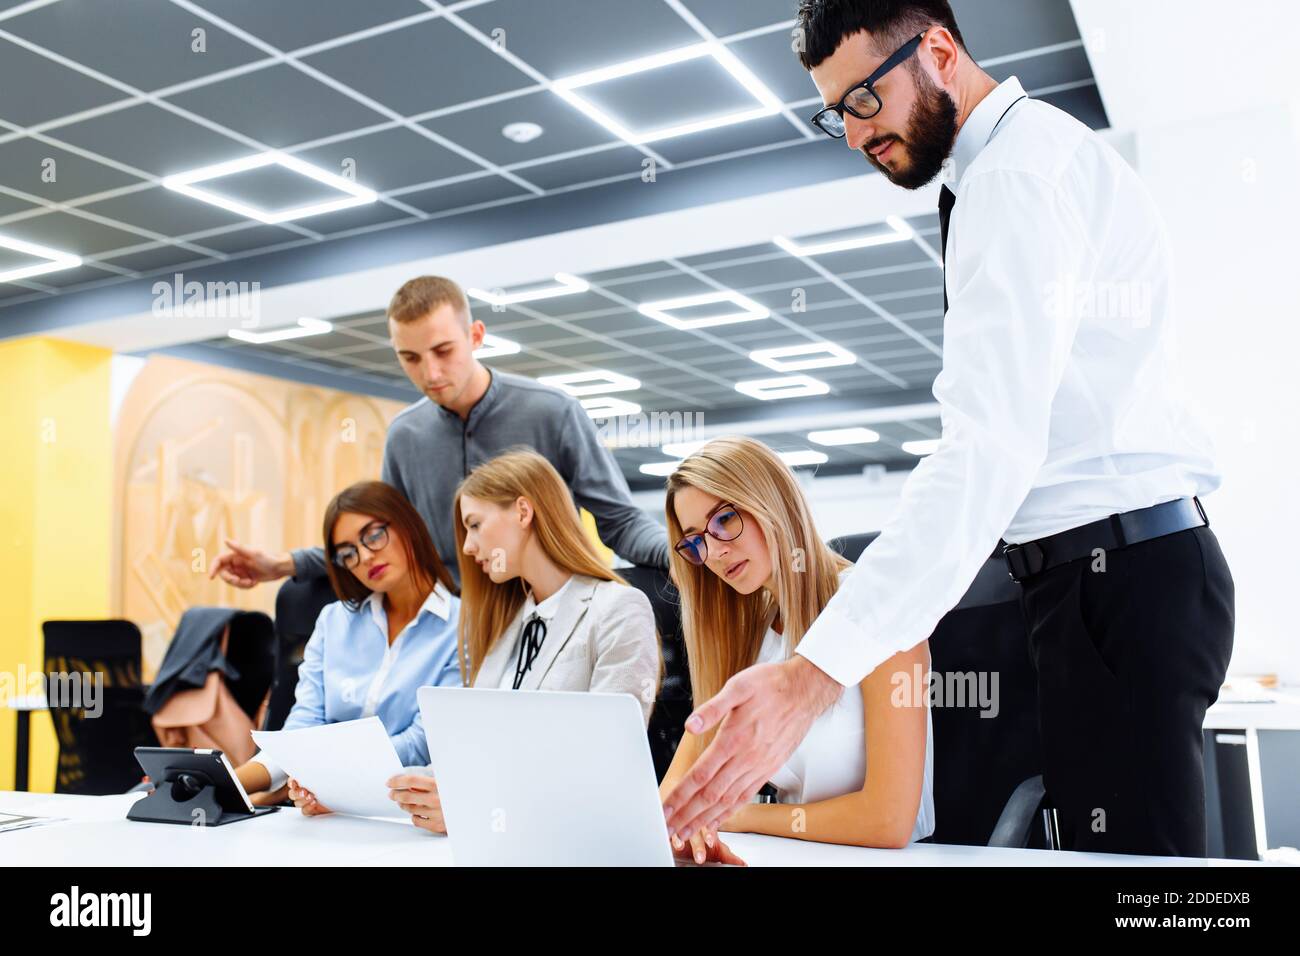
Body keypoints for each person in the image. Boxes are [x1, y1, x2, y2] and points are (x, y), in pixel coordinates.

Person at [664, 0, 1233, 859]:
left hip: (1118, 575)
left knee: (1143, 892)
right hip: (1107, 572)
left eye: (862, 99)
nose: (854, 135)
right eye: (834, 114)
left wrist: (814, 677)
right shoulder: (1011, 168)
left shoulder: (1015, 176)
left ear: (936, 49)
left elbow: (988, 450)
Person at [208, 275, 668, 591]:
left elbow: (621, 522)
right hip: (455, 626)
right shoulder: (405, 436)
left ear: (476, 336)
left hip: (554, 614)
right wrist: (284, 565)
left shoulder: (554, 412)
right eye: (409, 357)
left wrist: (687, 554)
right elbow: (385, 539)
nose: (430, 372)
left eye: (443, 350)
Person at [659, 437, 933, 865]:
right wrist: (691, 836)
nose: (713, 551)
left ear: (771, 500)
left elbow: (889, 820)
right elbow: (675, 802)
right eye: (696, 541)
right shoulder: (748, 637)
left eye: (725, 519)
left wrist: (740, 816)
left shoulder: (878, 610)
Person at [386, 448, 660, 833]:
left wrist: (473, 809)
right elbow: (476, 749)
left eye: (475, 524)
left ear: (523, 512)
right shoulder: (506, 623)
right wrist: (409, 787)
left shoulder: (619, 609)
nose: (466, 546)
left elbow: (603, 761)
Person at [232, 481, 461, 814]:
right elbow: (303, 726)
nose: (365, 557)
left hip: (401, 813)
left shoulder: (463, 626)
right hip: (320, 808)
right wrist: (224, 782)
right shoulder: (333, 621)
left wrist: (326, 776)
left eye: (373, 536)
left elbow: (422, 743)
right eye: (348, 553)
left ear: (408, 525)